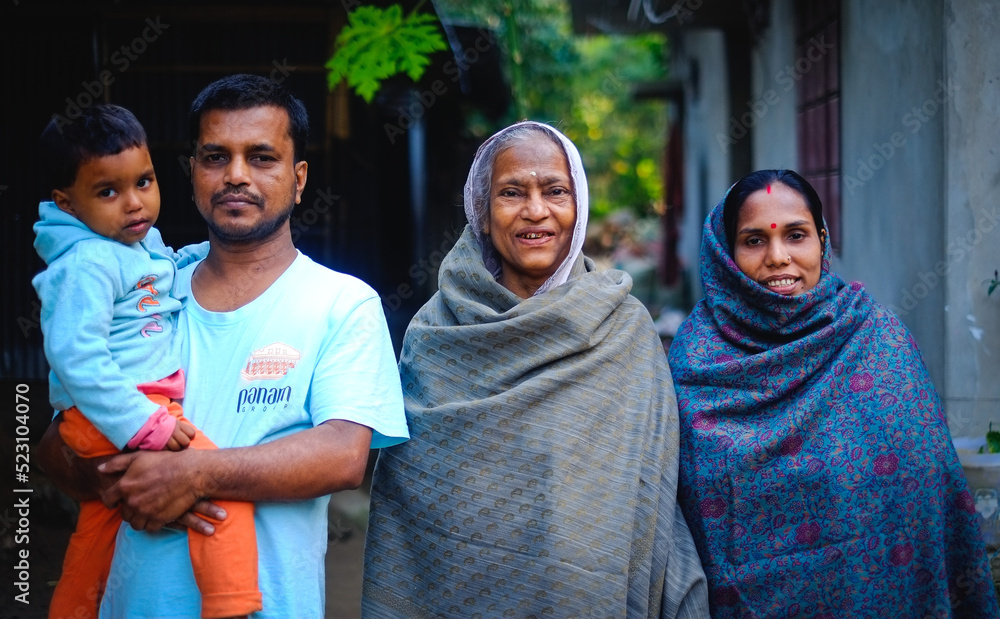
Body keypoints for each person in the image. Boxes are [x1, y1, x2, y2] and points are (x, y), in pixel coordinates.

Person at [38, 74, 410, 618]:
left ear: (299, 179)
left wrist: (191, 474)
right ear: (191, 172)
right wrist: (119, 483)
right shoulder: (145, 290)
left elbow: (343, 456)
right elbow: (56, 443)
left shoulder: (342, 302)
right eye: (215, 157)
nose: (236, 175)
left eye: (261, 157)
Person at [362, 121, 709, 618]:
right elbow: (411, 498)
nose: (536, 210)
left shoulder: (623, 328)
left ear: (579, 206)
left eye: (555, 191)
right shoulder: (436, 331)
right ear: (482, 213)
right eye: (511, 193)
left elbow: (648, 489)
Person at [668, 169, 1000, 617]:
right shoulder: (697, 361)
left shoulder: (876, 337)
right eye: (754, 240)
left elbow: (927, 490)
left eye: (796, 235)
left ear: (822, 240)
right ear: (726, 252)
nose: (778, 257)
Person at [32, 104, 260, 619]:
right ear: (67, 203)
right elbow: (76, 357)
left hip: (119, 413)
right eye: (107, 192)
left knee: (97, 535)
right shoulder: (86, 264)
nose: (135, 203)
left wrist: (202, 257)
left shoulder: (128, 243)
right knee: (221, 492)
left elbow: (157, 273)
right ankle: (232, 606)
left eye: (144, 181)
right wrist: (143, 423)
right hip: (123, 411)